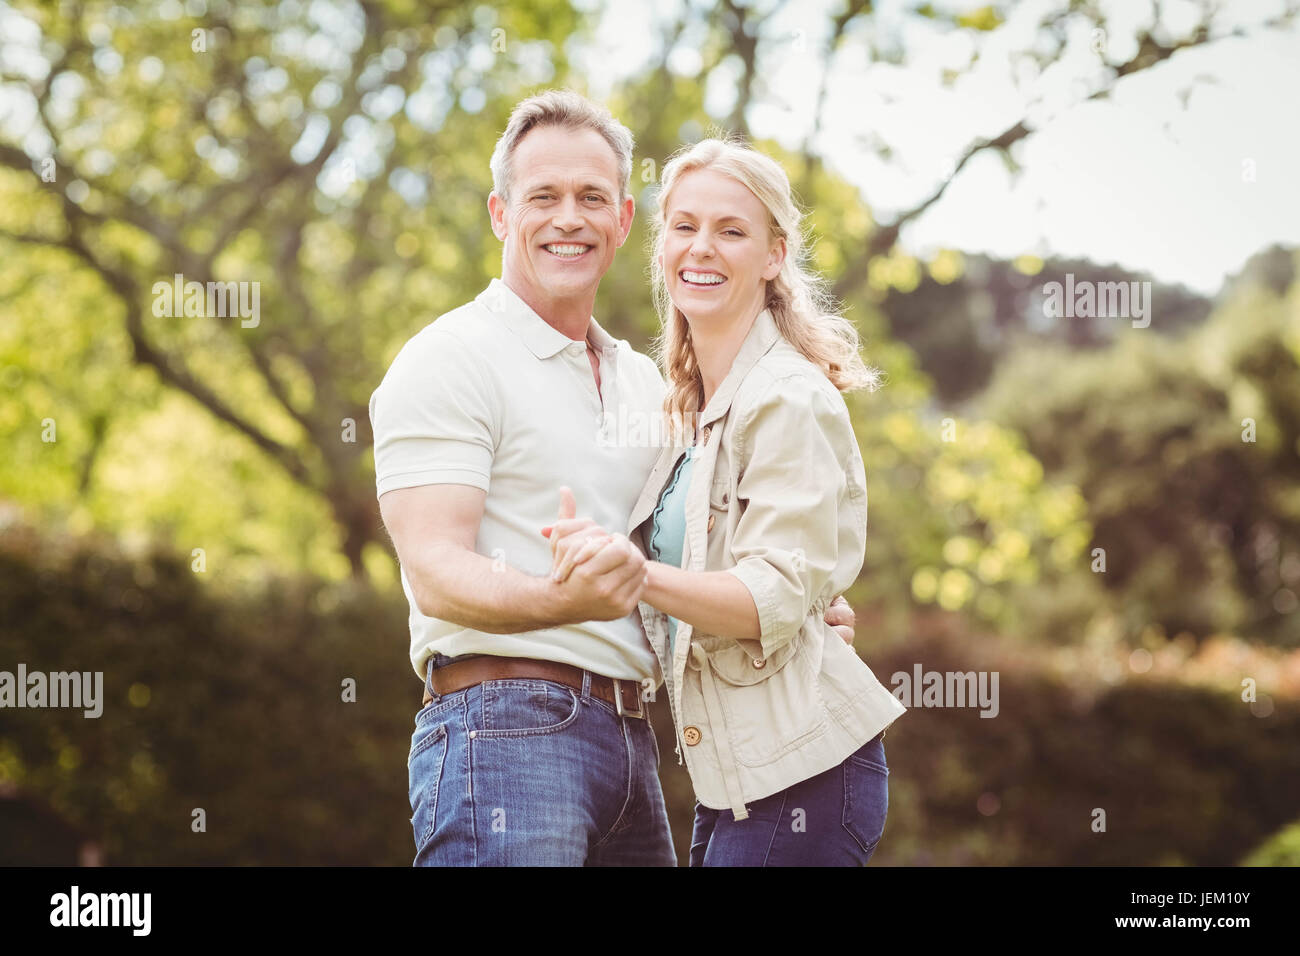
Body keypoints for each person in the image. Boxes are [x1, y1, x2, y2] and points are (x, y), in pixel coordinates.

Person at [369, 90, 856, 866]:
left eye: (592, 198)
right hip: (503, 730)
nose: (569, 218)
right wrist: (558, 602)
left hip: (638, 745)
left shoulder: (648, 387)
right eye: (544, 198)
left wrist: (792, 610)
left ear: (624, 221)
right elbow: (435, 574)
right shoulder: (449, 356)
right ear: (501, 213)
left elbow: (697, 551)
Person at [548, 137, 907, 866]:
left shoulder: (785, 396)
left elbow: (769, 591)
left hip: (806, 774)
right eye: (684, 226)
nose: (701, 248)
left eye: (731, 230)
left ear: (774, 254)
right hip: (738, 783)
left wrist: (635, 573)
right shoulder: (695, 411)